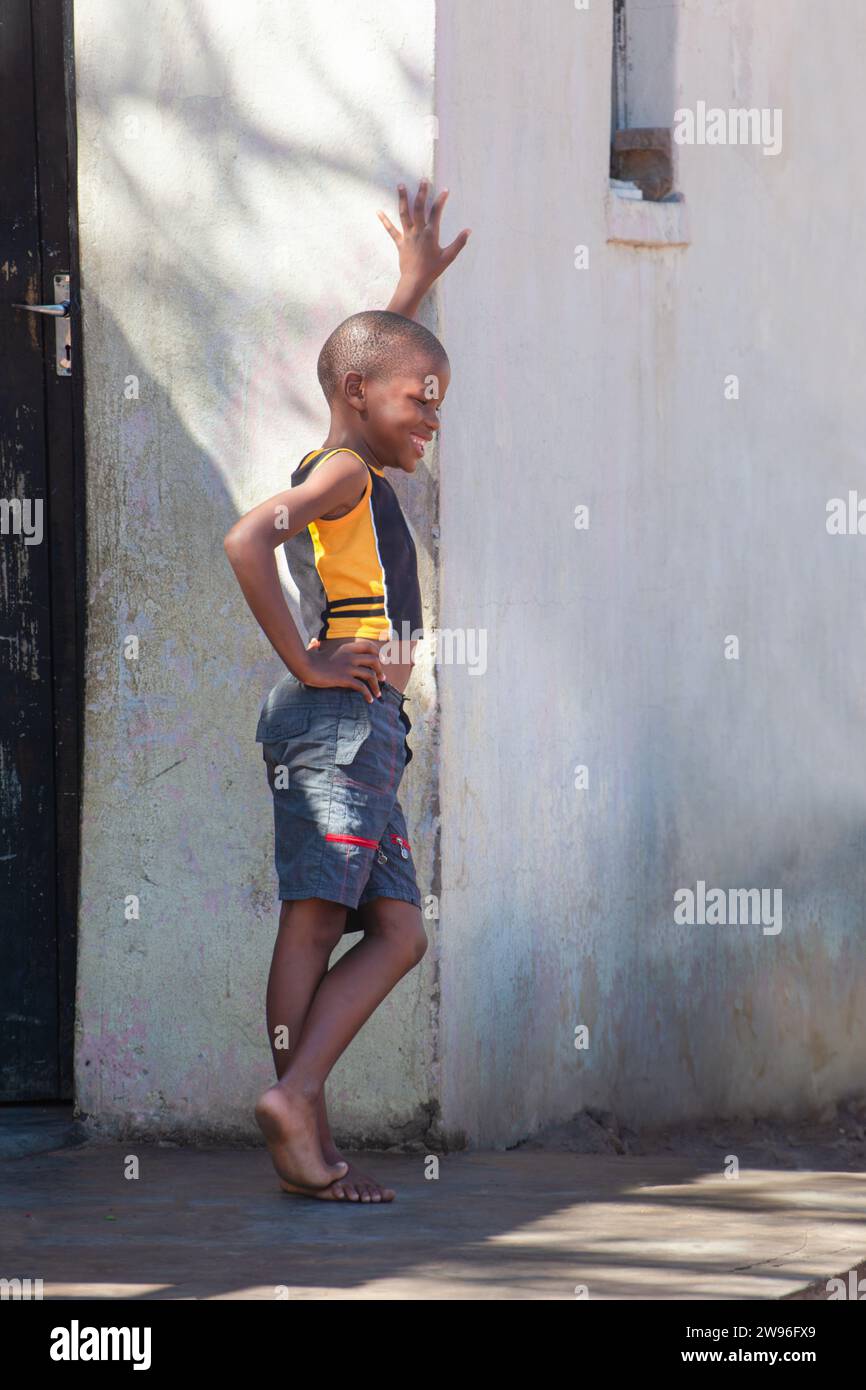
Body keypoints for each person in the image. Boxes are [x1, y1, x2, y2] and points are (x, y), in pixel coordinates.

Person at [223, 180, 470, 1202]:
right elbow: (247, 537)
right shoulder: (342, 478)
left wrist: (408, 284)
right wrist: (307, 659)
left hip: (367, 732)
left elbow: (367, 360)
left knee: (397, 930)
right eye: (422, 397)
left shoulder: (350, 449)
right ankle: (302, 1115)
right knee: (316, 922)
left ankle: (299, 1106)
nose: (431, 417)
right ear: (364, 395)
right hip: (336, 718)